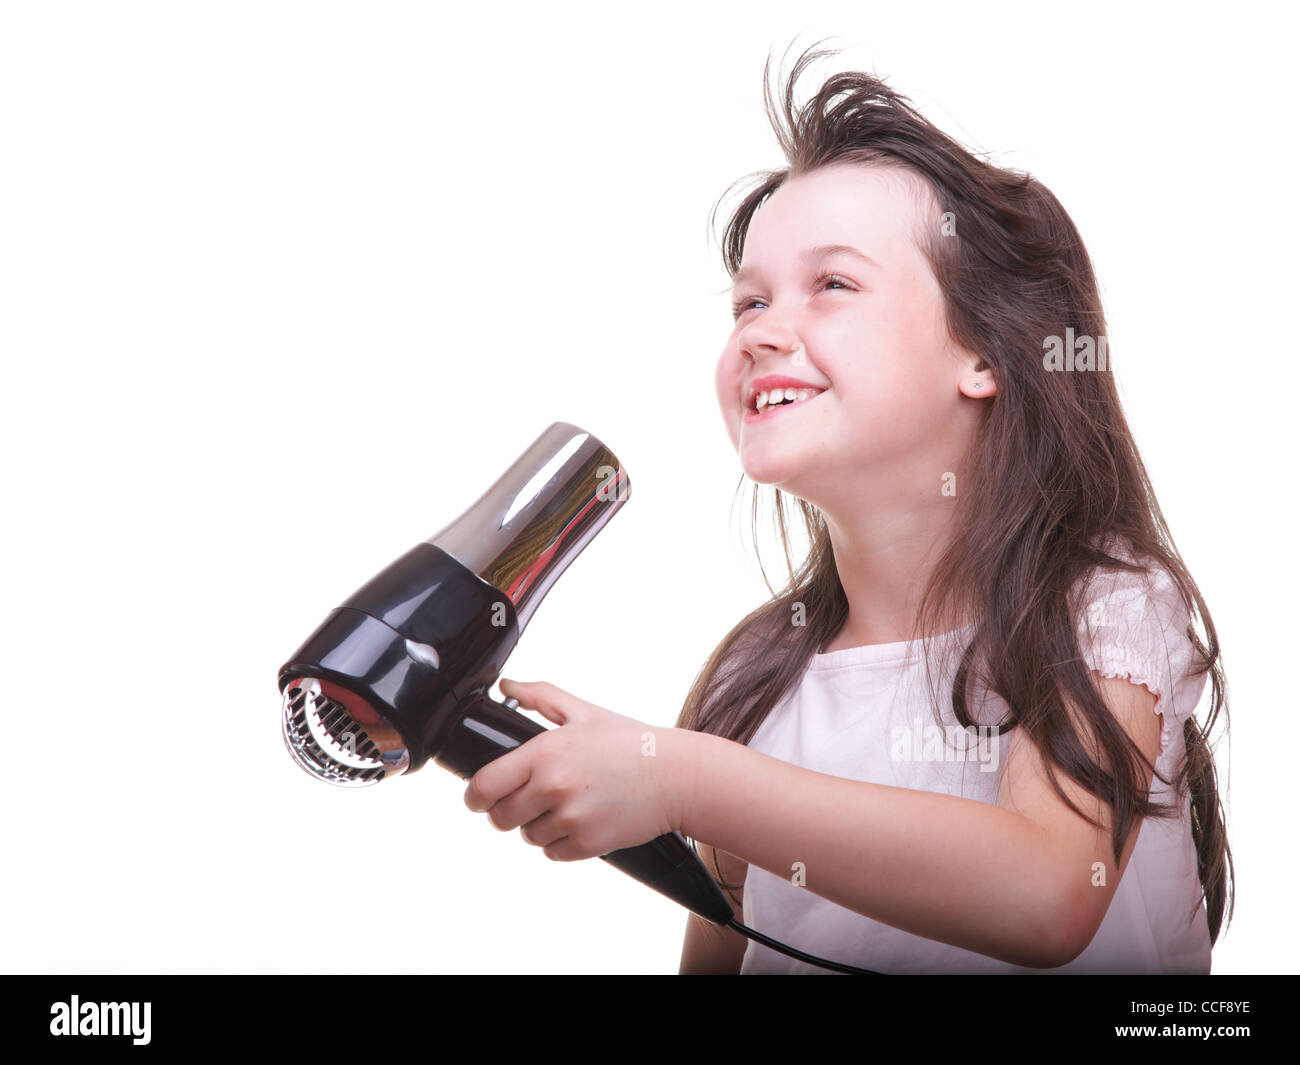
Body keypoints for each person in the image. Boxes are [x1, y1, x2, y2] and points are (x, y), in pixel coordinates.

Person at [463, 40, 1233, 975]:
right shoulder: (757, 677)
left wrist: (682, 778)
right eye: (747, 302)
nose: (763, 331)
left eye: (832, 285)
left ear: (985, 355)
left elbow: (1049, 893)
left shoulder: (1101, 606)